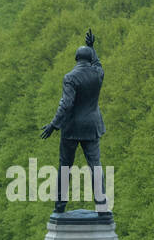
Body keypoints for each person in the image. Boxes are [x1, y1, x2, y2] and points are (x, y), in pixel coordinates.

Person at [40, 29, 108, 213]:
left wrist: (54, 124)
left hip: (72, 128)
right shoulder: (98, 74)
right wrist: (92, 48)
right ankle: (102, 205)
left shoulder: (70, 77)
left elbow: (67, 104)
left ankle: (60, 205)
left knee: (65, 167)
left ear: (76, 59)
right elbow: (98, 63)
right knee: (96, 166)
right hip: (92, 126)